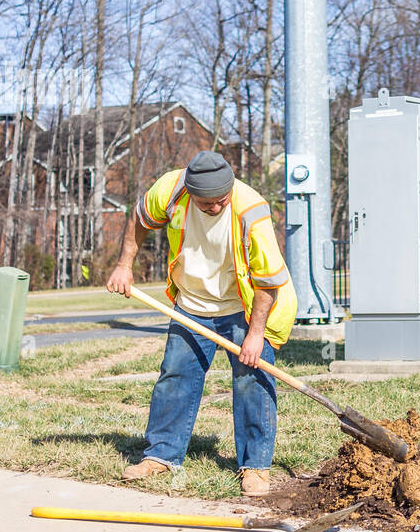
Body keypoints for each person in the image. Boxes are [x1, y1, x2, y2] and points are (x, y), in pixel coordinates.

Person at [106, 151, 296, 497]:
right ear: (192, 193)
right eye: (206, 203)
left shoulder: (251, 210)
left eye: (220, 201)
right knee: (175, 376)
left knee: (252, 380)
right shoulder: (172, 189)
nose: (214, 208)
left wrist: (254, 336)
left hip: (245, 305)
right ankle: (161, 455)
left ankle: (255, 466)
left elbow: (268, 282)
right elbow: (138, 219)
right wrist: (124, 265)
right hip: (192, 303)